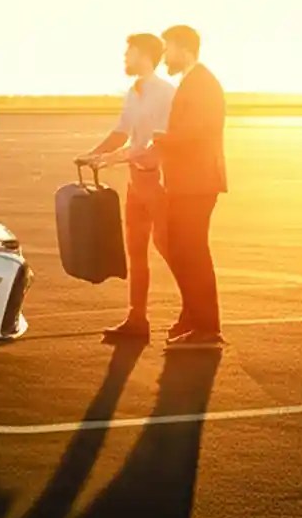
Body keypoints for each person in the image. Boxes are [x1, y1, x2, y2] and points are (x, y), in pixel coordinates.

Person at [78, 33, 176, 342]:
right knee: (136, 253)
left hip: (158, 182)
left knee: (170, 249)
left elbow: (154, 143)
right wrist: (92, 155)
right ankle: (137, 320)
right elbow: (121, 132)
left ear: (145, 55)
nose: (124, 57)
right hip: (136, 181)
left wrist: (109, 160)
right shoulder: (133, 93)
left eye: (129, 52)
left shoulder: (165, 93)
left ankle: (196, 313)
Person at [149, 25, 227, 349]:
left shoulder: (201, 83)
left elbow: (195, 132)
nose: (165, 55)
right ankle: (194, 320)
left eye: (167, 48)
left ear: (183, 48)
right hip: (187, 183)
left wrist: (158, 138)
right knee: (182, 250)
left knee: (192, 253)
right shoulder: (193, 81)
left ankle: (206, 328)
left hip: (197, 183)